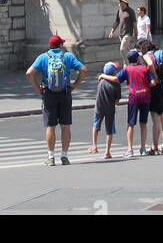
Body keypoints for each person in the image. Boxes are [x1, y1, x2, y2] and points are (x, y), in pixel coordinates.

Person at [26, 34, 87, 166]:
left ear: (50, 45)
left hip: (48, 93)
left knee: (50, 126)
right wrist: (75, 84)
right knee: (65, 126)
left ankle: (51, 157)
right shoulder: (67, 56)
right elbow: (83, 69)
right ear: (60, 45)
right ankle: (64, 156)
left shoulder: (43, 57)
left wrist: (38, 88)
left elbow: (29, 73)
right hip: (65, 92)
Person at [116, 48, 157, 157]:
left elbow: (116, 80)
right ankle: (143, 148)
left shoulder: (127, 69)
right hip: (145, 96)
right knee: (143, 123)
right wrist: (145, 86)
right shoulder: (144, 68)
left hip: (133, 97)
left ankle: (130, 149)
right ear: (138, 59)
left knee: (131, 124)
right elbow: (153, 83)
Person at [140, 40, 163, 154]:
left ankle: (155, 147)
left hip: (155, 88)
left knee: (155, 118)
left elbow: (149, 64)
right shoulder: (160, 53)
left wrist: (154, 76)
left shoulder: (146, 55)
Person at [90, 62, 121, 160]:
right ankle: (107, 151)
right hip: (110, 109)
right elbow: (117, 100)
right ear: (114, 72)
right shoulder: (116, 84)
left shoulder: (101, 81)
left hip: (98, 107)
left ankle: (94, 145)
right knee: (109, 130)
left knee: (96, 126)